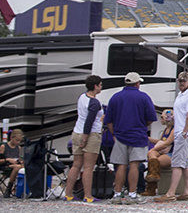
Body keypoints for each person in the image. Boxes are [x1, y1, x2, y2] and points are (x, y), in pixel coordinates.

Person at [104, 72, 157, 204]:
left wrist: (114, 134)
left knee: (120, 165)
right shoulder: (144, 97)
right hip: (138, 136)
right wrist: (141, 125)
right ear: (137, 83)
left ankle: (117, 194)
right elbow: (151, 118)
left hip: (120, 136)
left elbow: (108, 120)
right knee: (134, 165)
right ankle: (132, 194)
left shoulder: (115, 97)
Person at [156, 71, 188, 202]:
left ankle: (171, 193)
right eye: (180, 81)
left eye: (184, 81)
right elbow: (181, 113)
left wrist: (185, 132)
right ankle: (187, 191)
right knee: (185, 163)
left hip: (184, 134)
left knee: (177, 163)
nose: (181, 83)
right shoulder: (181, 95)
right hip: (182, 132)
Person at [65, 75, 104, 202]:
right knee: (88, 167)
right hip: (90, 134)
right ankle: (88, 196)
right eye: (100, 85)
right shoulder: (94, 102)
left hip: (76, 131)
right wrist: (85, 138)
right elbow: (90, 121)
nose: (101, 87)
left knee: (76, 165)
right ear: (95, 86)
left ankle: (68, 193)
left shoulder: (82, 97)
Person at [142, 110, 175, 196]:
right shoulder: (166, 129)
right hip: (163, 151)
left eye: (162, 117)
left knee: (155, 161)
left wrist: (153, 149)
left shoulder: (174, 129)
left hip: (172, 154)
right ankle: (152, 180)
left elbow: (167, 143)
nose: (160, 119)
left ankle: (151, 187)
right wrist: (147, 138)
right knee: (153, 157)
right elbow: (160, 142)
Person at [0, 129, 24, 198]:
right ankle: (9, 187)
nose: (18, 142)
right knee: (17, 167)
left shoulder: (18, 147)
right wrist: (8, 159)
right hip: (4, 165)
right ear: (11, 138)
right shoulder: (4, 147)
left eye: (20, 141)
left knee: (23, 166)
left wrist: (20, 161)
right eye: (17, 140)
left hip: (15, 165)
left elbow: (18, 158)